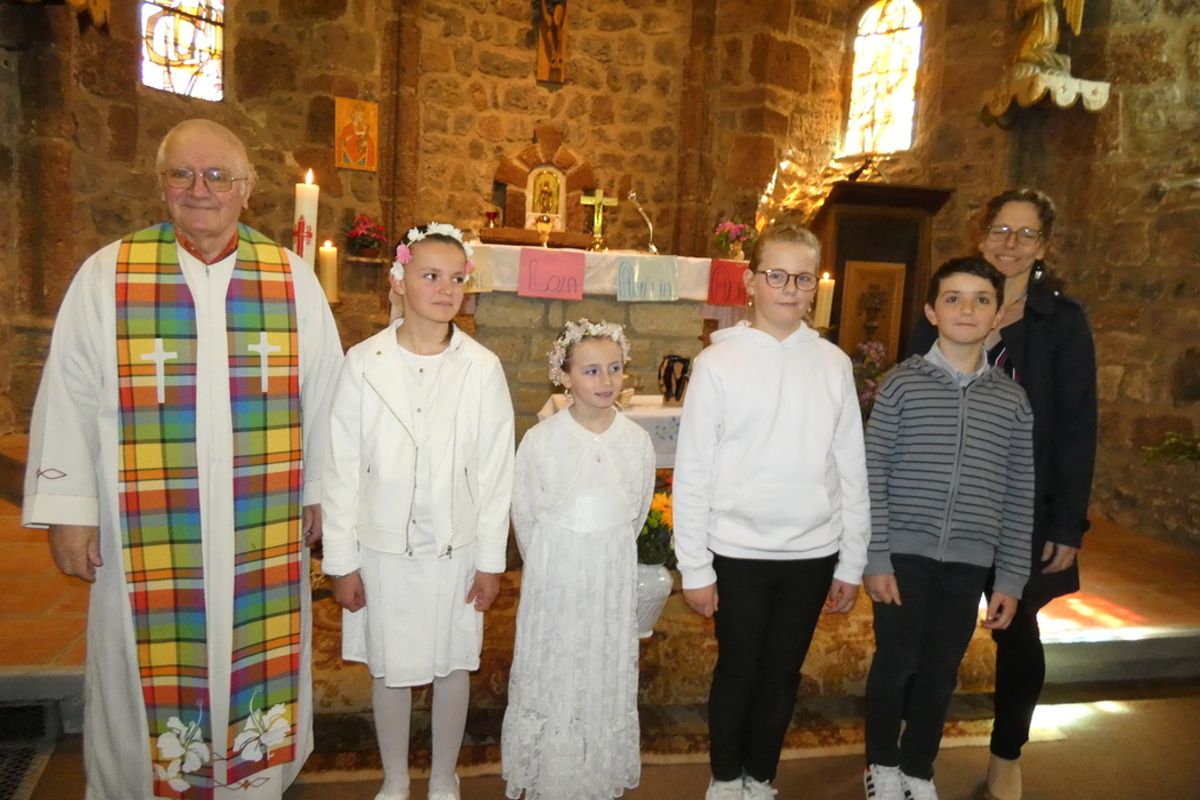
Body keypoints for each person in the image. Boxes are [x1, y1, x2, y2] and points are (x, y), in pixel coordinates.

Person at [22, 118, 344, 798]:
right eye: (182, 174)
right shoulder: (108, 275)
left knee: (255, 668)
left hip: (261, 530)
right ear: (161, 185)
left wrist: (320, 490)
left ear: (247, 190)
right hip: (145, 535)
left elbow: (327, 395)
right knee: (140, 679)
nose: (200, 190)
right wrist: (68, 511)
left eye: (217, 176)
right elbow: (69, 393)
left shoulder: (288, 280)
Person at [906, 189, 1097, 800]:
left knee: (1018, 635)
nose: (1009, 243)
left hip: (1027, 510)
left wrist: (1067, 523)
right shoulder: (951, 302)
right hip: (946, 506)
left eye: (1026, 234)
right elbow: (913, 402)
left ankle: (1006, 757)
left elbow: (1076, 426)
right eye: (1000, 229)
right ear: (981, 233)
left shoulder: (1062, 322)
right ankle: (911, 752)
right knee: (931, 630)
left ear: (1044, 246)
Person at [673, 222, 871, 800]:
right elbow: (695, 471)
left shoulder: (833, 364)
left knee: (782, 673)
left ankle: (760, 777)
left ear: (815, 289)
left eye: (802, 278)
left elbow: (851, 470)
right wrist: (696, 566)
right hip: (736, 550)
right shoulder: (719, 364)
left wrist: (851, 562)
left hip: (812, 552)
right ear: (751, 283)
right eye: (776, 275)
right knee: (737, 671)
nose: (789, 288)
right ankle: (725, 777)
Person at [321, 222, 515, 800]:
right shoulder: (363, 362)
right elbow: (341, 468)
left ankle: (442, 776)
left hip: (453, 549)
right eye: (431, 275)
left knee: (453, 664)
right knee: (390, 665)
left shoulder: (481, 368)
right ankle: (396, 778)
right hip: (382, 550)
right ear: (399, 279)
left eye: (457, 278)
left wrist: (490, 560)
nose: (445, 289)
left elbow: (493, 472)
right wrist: (341, 561)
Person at [862, 257, 1035, 800]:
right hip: (904, 556)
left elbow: (1019, 491)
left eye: (982, 299)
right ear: (932, 311)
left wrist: (1010, 575)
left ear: (998, 314)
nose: (967, 309)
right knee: (896, 663)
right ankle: (882, 764)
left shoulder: (1012, 400)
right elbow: (873, 474)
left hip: (969, 560)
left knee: (940, 670)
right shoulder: (901, 385)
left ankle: (918, 768)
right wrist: (876, 556)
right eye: (954, 298)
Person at [500, 319, 655, 800]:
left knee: (600, 665)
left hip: (609, 571)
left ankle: (595, 769)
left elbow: (638, 510)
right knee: (558, 664)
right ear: (565, 377)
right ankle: (551, 770)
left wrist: (605, 554)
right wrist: (551, 563)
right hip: (557, 573)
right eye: (591, 371)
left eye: (614, 368)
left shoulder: (636, 442)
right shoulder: (542, 441)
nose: (605, 381)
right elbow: (523, 513)